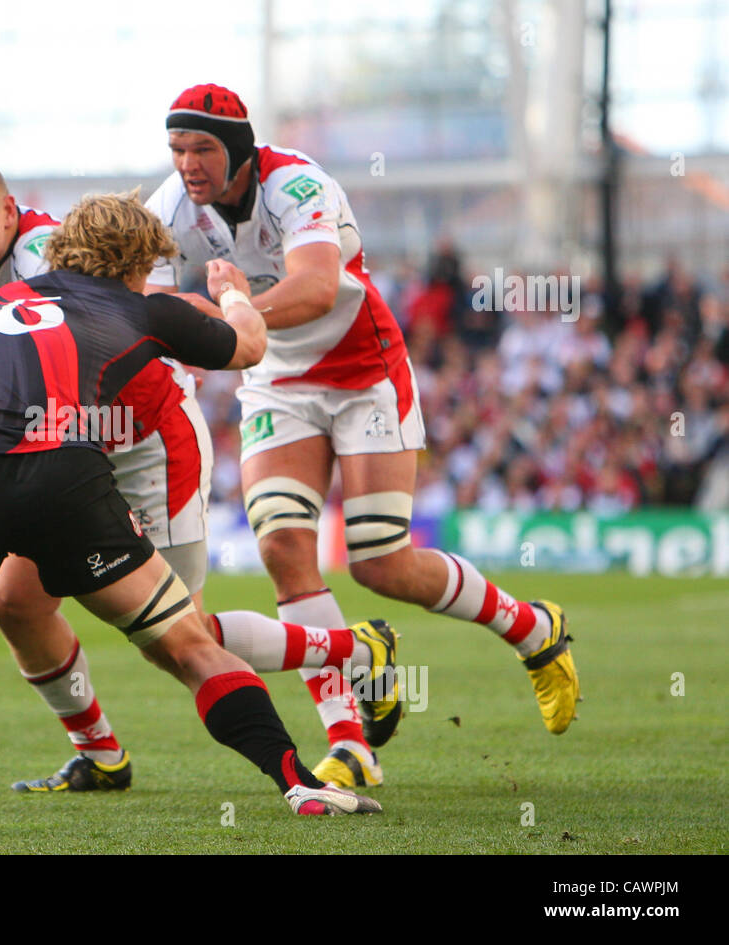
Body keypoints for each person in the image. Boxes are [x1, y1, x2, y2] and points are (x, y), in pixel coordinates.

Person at [0, 192, 382, 816]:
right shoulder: (148, 309)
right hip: (71, 482)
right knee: (184, 643)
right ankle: (298, 782)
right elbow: (247, 347)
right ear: (142, 263)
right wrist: (235, 292)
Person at [144, 84, 579, 789]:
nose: (188, 164)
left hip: (361, 372)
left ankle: (534, 627)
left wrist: (231, 306)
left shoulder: (298, 183)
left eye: (202, 149)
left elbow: (316, 287)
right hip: (276, 379)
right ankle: (349, 743)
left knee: (381, 562)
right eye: (177, 149)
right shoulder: (170, 209)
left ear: (241, 152)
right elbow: (150, 301)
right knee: (284, 545)